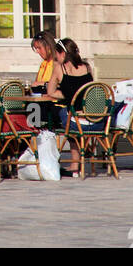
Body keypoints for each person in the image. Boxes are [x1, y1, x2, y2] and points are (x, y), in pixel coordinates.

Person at [46, 37, 94, 178]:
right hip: (94, 119)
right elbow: (89, 91)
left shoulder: (60, 69)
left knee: (61, 113)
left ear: (62, 53)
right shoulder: (87, 67)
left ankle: (74, 164)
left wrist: (67, 94)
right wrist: (72, 94)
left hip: (75, 121)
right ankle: (76, 163)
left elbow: (50, 92)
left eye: (56, 54)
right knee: (71, 115)